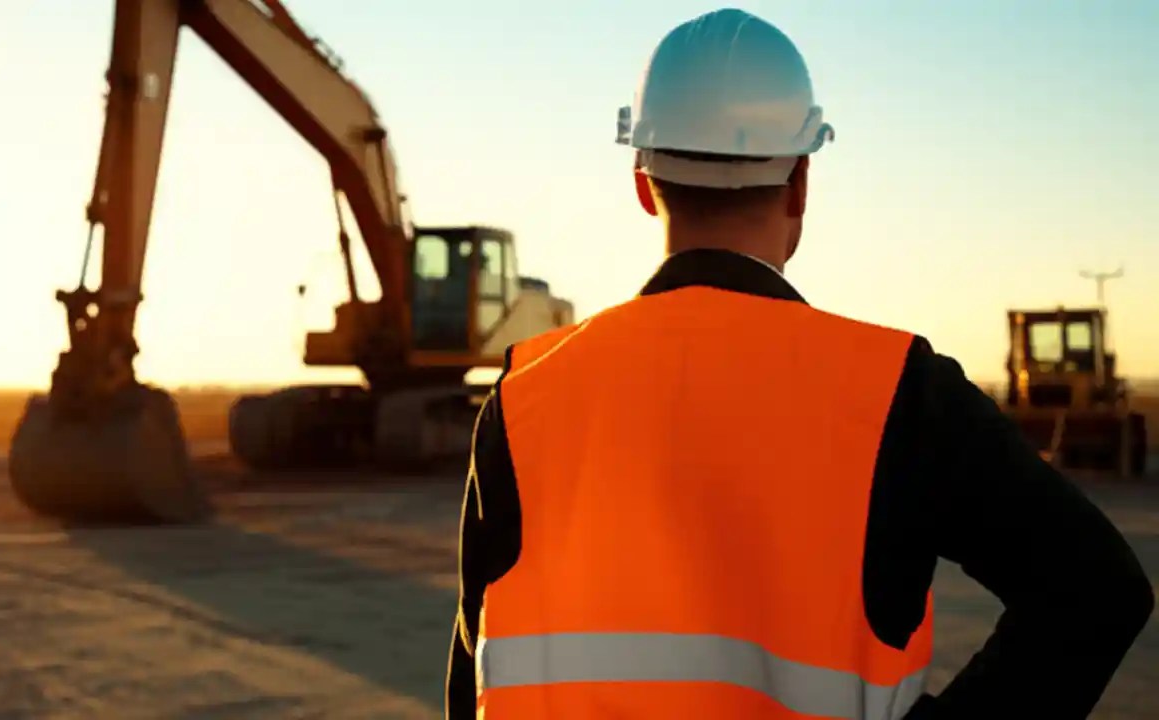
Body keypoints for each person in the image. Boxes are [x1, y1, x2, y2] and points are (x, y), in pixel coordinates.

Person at [445, 8, 1153, 719]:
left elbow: (474, 673)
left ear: (642, 179)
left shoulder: (526, 397)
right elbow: (1098, 591)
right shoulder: (898, 393)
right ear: (800, 183)